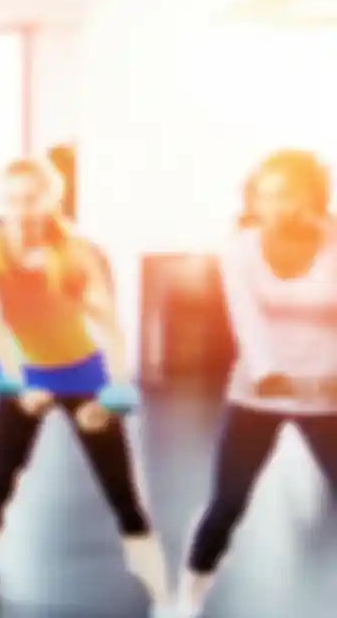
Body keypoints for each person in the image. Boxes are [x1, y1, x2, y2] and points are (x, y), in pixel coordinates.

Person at [0, 156, 173, 618]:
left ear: (52, 199)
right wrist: (18, 384)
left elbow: (109, 326)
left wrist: (111, 398)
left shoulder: (80, 251)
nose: (22, 210)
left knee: (122, 492)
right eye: (12, 200)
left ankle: (167, 599)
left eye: (32, 199)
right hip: (26, 373)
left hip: (84, 373)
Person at [175, 149, 337, 617]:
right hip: (257, 394)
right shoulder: (242, 246)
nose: (275, 205)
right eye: (265, 195)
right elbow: (245, 317)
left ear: (313, 194)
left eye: (286, 193)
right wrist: (269, 374)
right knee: (227, 503)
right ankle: (186, 600)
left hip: (328, 396)